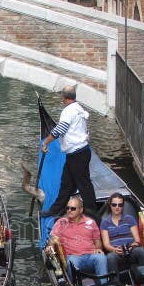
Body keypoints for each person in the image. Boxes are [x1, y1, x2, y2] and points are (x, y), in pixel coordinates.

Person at [40, 85, 97, 217]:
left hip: (78, 154)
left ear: (63, 97)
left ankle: (92, 213)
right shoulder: (78, 108)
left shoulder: (68, 111)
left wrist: (46, 142)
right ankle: (56, 210)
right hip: (78, 154)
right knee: (66, 184)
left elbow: (60, 129)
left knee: (84, 185)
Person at [47, 196, 108, 280]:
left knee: (101, 258)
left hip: (91, 255)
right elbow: (53, 240)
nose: (69, 210)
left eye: (73, 208)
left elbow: (97, 241)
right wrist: (50, 248)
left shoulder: (91, 222)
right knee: (72, 262)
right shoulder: (61, 222)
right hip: (73, 257)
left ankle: (105, 285)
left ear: (80, 210)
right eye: (67, 208)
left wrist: (98, 249)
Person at [100, 193, 144, 274]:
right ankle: (115, 281)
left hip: (131, 250)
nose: (117, 207)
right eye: (114, 205)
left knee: (142, 251)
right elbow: (106, 244)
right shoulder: (105, 222)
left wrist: (131, 247)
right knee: (110, 257)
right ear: (110, 205)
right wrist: (115, 250)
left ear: (123, 206)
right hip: (115, 251)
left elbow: (137, 240)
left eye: (120, 205)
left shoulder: (130, 219)